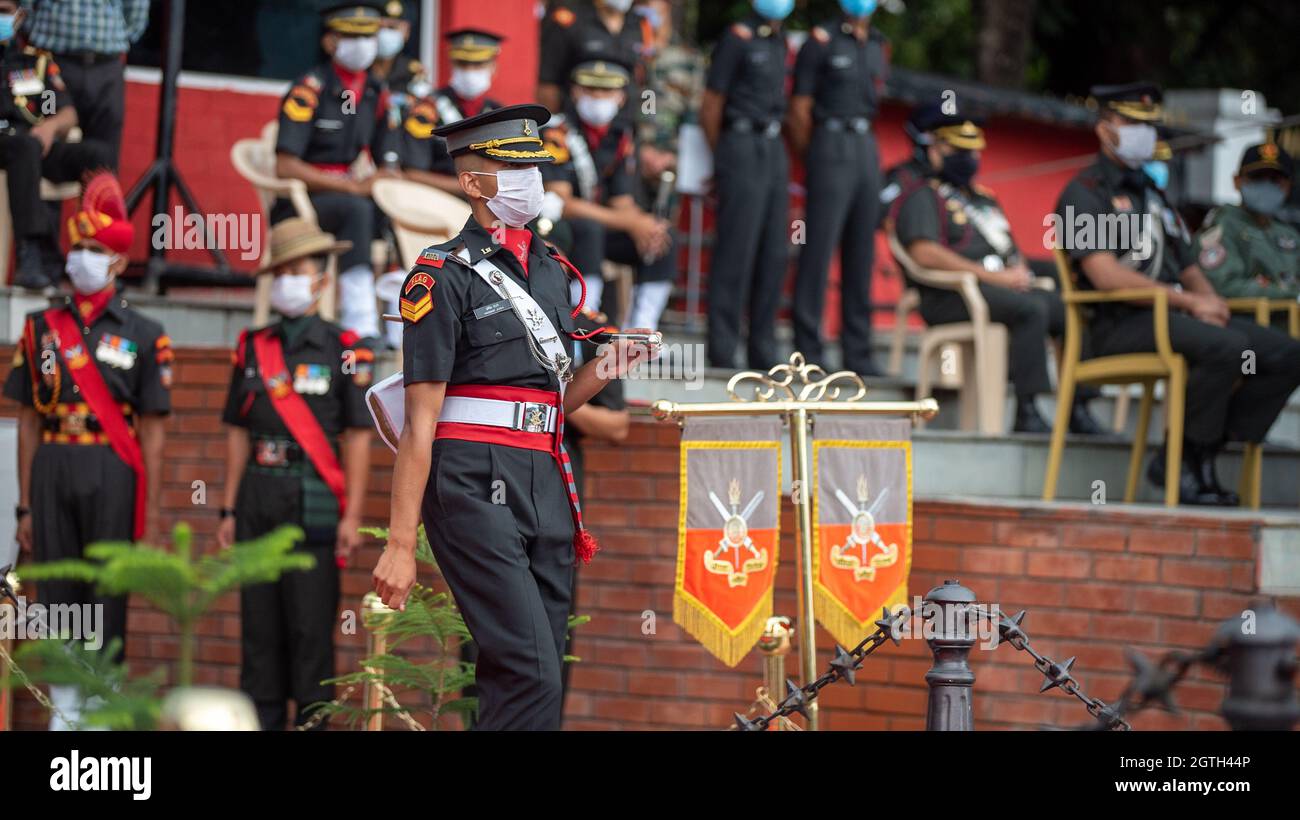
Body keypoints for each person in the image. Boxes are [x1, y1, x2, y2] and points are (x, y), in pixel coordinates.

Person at [369, 104, 656, 730]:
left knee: (536, 669)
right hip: (471, 479)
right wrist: (399, 542)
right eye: (514, 166)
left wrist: (611, 365)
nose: (531, 176)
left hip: (544, 470)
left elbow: (552, 401)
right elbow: (421, 423)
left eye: (536, 165)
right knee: (529, 665)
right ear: (474, 183)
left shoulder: (551, 271)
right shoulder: (440, 276)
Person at [1055, 83, 1300, 505]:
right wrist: (1190, 303)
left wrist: (1212, 302)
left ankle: (1200, 450)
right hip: (1116, 326)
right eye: (1132, 122)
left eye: (1149, 125)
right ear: (1104, 129)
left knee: (1283, 353)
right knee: (1226, 347)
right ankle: (1184, 466)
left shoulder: (1153, 195)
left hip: (1171, 318)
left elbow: (1188, 267)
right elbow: (1106, 276)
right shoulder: (1084, 193)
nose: (1144, 133)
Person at [4, 173, 170, 726]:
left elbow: (152, 429)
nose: (81, 258)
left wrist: (147, 504)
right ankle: (66, 707)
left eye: (95, 250)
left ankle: (101, 710)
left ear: (118, 262)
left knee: (107, 590)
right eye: (77, 247)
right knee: (56, 589)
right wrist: (24, 504)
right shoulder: (39, 328)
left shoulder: (145, 333)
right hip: (52, 461)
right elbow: (27, 418)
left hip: (112, 466)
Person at [217, 218, 374, 731]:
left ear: (321, 279)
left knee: (311, 638)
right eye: (280, 270)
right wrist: (227, 507)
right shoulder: (251, 346)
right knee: (259, 639)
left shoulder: (346, 348)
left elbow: (356, 436)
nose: (288, 278)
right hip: (258, 500)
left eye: (298, 269)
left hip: (317, 503)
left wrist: (353, 515)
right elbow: (238, 432)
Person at [895, 113, 1102, 434]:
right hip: (950, 295)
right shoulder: (923, 196)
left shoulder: (983, 199)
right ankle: (1027, 411)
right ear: (935, 151)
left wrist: (1016, 270)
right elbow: (924, 253)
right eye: (961, 151)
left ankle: (1079, 404)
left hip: (994, 286)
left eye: (974, 152)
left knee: (1068, 304)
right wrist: (993, 277)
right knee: (1032, 308)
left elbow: (1008, 249)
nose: (971, 159)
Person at [272, 2, 396, 342]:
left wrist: (384, 178)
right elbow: (285, 165)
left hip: (353, 197)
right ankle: (360, 320)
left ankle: (403, 323)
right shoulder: (308, 89)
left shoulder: (376, 90)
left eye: (368, 36)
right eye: (351, 36)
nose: (362, 45)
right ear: (330, 42)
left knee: (393, 214)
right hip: (301, 201)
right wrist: (350, 188)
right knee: (358, 209)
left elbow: (389, 156)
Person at [788, 0, 888, 375]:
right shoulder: (821, 41)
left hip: (866, 144)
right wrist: (815, 156)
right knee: (818, 249)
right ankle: (808, 348)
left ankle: (858, 352)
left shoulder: (878, 43)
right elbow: (799, 108)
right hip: (829, 143)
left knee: (862, 253)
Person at [541, 57, 675, 330]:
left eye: (607, 92)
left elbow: (622, 201)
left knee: (662, 237)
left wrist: (647, 225)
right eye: (591, 90)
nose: (599, 98)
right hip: (558, 228)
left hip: (600, 225)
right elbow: (561, 202)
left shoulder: (621, 136)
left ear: (621, 97)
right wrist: (631, 222)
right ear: (576, 92)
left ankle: (642, 330)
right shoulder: (557, 132)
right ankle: (582, 325)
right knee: (590, 230)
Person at [699, 0, 793, 370]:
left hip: (773, 146)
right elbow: (711, 104)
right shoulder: (737, 37)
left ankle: (763, 349)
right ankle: (722, 349)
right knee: (735, 250)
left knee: (774, 252)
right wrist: (722, 158)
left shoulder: (781, 40)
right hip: (739, 143)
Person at [1, 1, 113, 289]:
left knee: (97, 155)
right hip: (7, 143)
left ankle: (99, 254)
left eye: (4, 11)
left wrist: (50, 126)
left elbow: (64, 111)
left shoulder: (34, 62)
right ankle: (31, 256)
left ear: (20, 16)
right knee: (24, 147)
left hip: (34, 144)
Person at [18, 0, 146, 167]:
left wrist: (116, 34)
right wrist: (35, 29)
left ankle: (101, 193)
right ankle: (41, 193)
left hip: (106, 67)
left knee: (105, 154)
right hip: (52, 65)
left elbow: (137, 8)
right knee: (46, 135)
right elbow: (24, 7)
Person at [397, 28, 506, 199]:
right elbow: (413, 173)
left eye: (478, 65)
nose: (470, 71)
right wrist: (473, 187)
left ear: (493, 67)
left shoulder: (500, 114)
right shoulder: (427, 109)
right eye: (463, 64)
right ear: (451, 65)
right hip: (438, 202)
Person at [1195, 142, 1300, 303]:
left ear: (1288, 186)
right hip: (1247, 324)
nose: (1267, 185)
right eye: (1257, 178)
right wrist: (1291, 295)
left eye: (1275, 180)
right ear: (1237, 181)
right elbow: (1224, 286)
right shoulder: (1222, 226)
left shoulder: (1288, 234)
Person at [538, 0, 647, 121]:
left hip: (622, 124)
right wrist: (553, 123)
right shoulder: (568, 18)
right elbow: (547, 81)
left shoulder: (639, 23)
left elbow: (643, 74)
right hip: (572, 122)